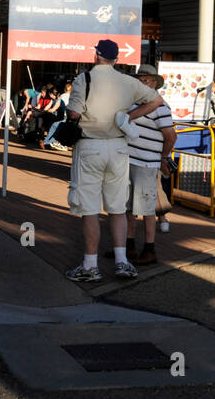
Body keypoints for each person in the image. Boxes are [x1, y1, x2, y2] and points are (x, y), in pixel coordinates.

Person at [62, 40, 163, 282]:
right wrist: (128, 116)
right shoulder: (128, 81)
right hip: (119, 147)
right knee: (118, 208)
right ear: (116, 59)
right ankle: (122, 262)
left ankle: (90, 266)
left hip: (89, 147)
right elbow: (157, 101)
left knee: (90, 210)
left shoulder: (83, 79)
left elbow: (74, 113)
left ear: (96, 55)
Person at [122, 65, 175, 266]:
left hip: (145, 164)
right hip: (128, 160)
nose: (141, 83)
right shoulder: (132, 103)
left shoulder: (161, 107)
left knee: (146, 208)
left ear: (154, 83)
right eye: (139, 80)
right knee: (126, 207)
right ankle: (129, 245)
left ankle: (149, 248)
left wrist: (162, 157)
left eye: (145, 80)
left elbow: (170, 136)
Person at [41, 82, 72, 150]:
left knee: (54, 125)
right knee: (54, 124)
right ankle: (48, 142)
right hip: (66, 117)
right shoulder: (70, 96)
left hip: (65, 117)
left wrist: (47, 110)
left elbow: (54, 108)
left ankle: (48, 142)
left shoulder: (62, 97)